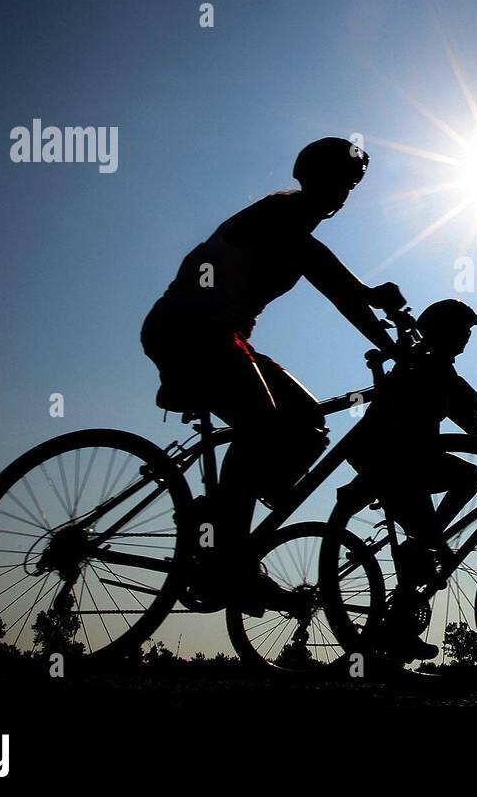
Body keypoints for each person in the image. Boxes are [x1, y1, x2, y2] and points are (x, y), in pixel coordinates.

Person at [140, 137, 406, 604]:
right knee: (261, 425)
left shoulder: (297, 230)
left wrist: (392, 344)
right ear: (313, 178)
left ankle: (223, 522)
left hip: (224, 337)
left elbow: (337, 288)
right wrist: (370, 299)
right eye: (340, 182)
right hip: (189, 330)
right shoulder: (281, 214)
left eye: (351, 187)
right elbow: (331, 280)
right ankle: (225, 550)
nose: (344, 195)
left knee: (307, 421)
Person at [345, 298, 477, 662]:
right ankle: (420, 551)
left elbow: (467, 418)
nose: (466, 338)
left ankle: (400, 622)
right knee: (464, 481)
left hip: (409, 459)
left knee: (425, 539)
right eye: (462, 331)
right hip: (388, 459)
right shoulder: (426, 364)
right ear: (443, 332)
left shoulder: (433, 367)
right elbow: (466, 398)